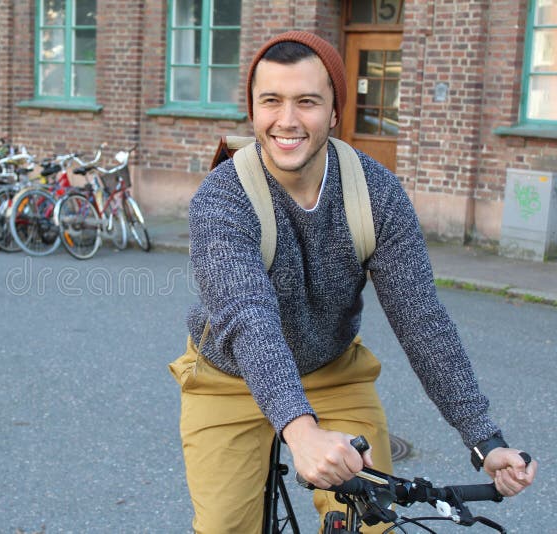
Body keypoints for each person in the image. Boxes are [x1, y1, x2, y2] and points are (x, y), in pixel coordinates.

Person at [169, 30, 537, 533]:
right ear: (252, 110)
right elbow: (246, 315)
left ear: (336, 112)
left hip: (332, 370)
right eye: (270, 101)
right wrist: (301, 433)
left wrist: (484, 440)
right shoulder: (222, 198)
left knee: (373, 523)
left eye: (308, 101)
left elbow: (421, 320)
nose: (288, 120)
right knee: (225, 528)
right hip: (228, 379)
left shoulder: (375, 193)